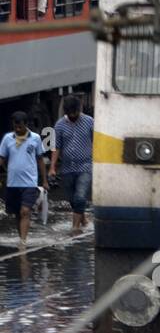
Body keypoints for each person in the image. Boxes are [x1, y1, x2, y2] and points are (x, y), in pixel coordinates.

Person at [0, 112, 48, 250]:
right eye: (15, 126)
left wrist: (44, 180)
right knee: (16, 214)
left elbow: (40, 159)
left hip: (29, 182)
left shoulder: (35, 138)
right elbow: (2, 158)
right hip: (12, 183)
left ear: (26, 125)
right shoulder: (7, 139)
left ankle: (23, 241)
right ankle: (22, 235)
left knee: (25, 211)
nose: (17, 129)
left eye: (20, 126)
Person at [50, 95, 94, 235]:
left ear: (79, 109)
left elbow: (97, 142)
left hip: (85, 166)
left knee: (80, 197)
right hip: (67, 168)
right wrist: (52, 167)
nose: (72, 116)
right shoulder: (59, 125)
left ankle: (75, 228)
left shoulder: (89, 122)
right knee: (72, 200)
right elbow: (56, 147)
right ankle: (84, 221)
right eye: (69, 113)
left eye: (74, 112)